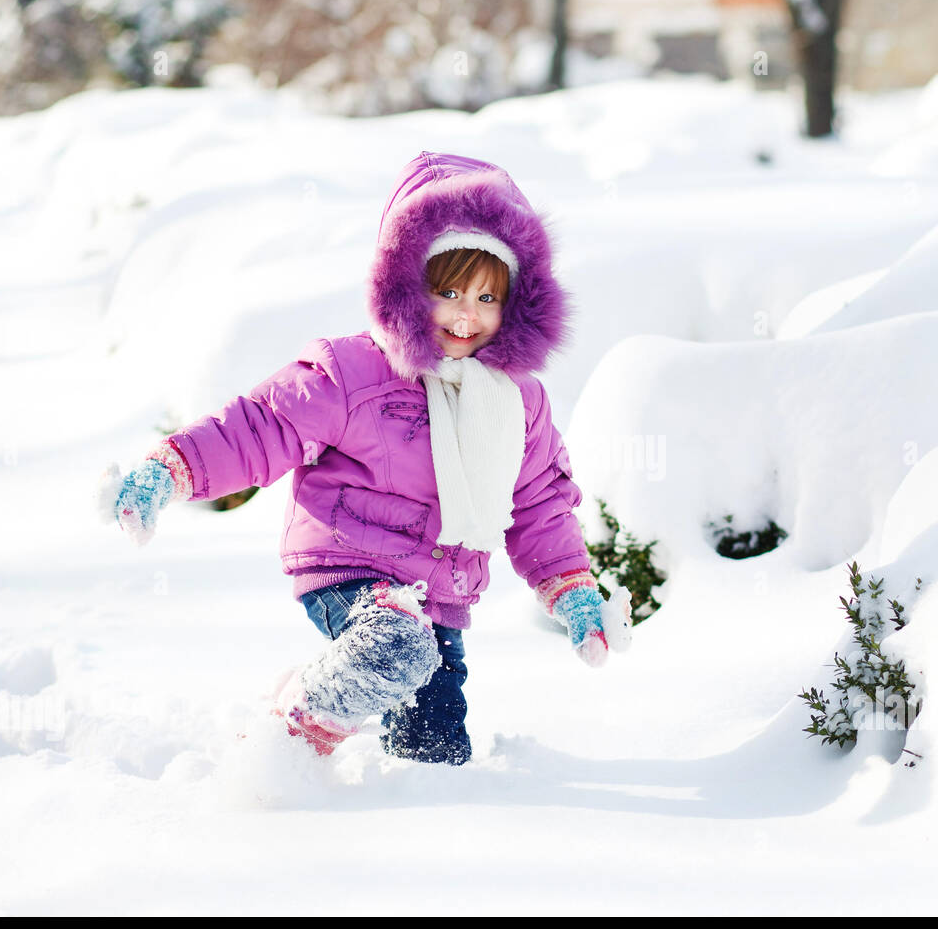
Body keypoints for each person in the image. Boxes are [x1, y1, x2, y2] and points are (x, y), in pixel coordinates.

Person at [98, 151, 631, 765]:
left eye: (488, 297)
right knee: (399, 644)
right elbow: (262, 425)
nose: (467, 313)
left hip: (440, 598)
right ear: (407, 285)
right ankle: (288, 734)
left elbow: (539, 501)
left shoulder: (516, 403)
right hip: (349, 569)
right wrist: (171, 470)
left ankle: (396, 826)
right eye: (448, 289)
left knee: (432, 751)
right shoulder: (354, 371)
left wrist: (571, 588)